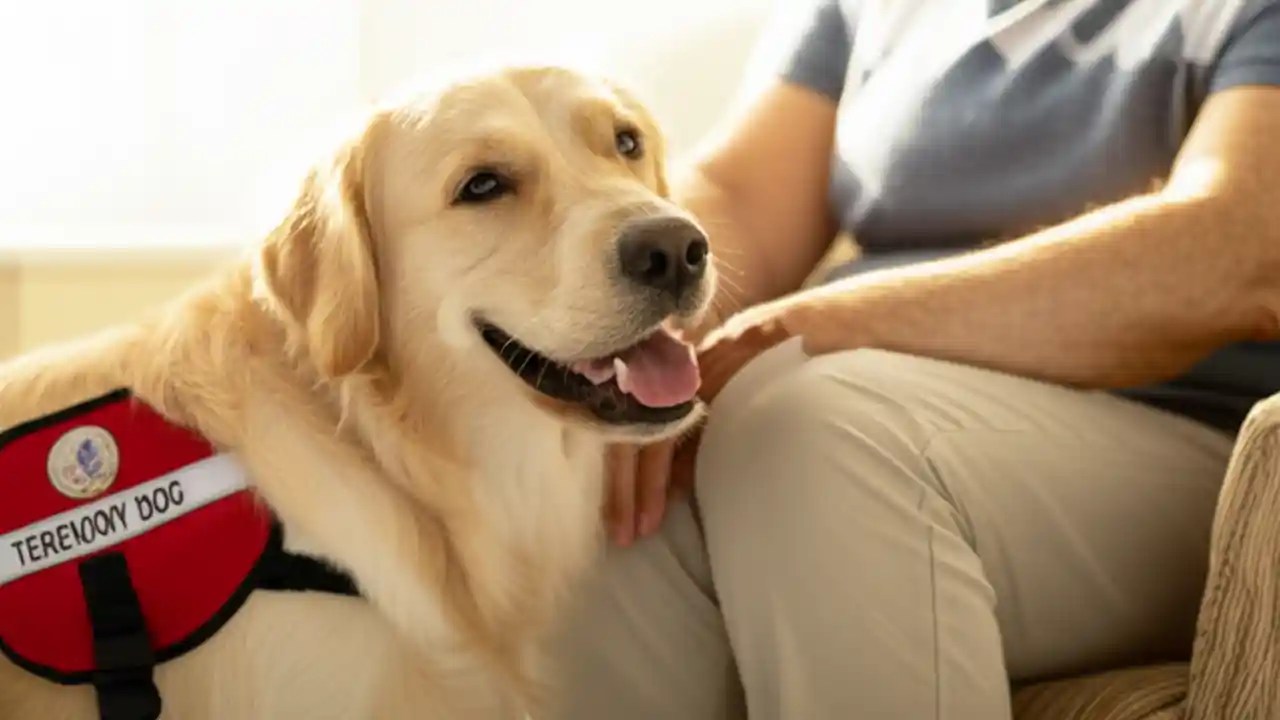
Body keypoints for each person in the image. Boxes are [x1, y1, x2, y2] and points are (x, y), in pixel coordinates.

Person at [552, 0, 1280, 718]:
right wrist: (621, 322)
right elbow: (742, 197)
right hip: (880, 391)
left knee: (816, 430)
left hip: (1190, 443)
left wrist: (830, 321)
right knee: (586, 467)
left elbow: (1234, 249)